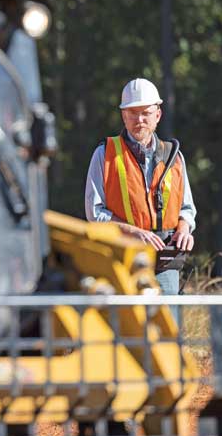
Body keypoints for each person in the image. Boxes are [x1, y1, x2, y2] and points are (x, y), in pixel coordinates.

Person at [84, 78, 196, 295]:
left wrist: (183, 230)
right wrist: (134, 232)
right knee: (126, 326)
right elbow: (94, 213)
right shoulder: (104, 154)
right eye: (133, 113)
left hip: (165, 261)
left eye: (145, 113)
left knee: (167, 326)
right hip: (122, 258)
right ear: (123, 116)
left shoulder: (174, 156)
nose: (139, 120)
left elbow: (187, 209)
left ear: (158, 115)